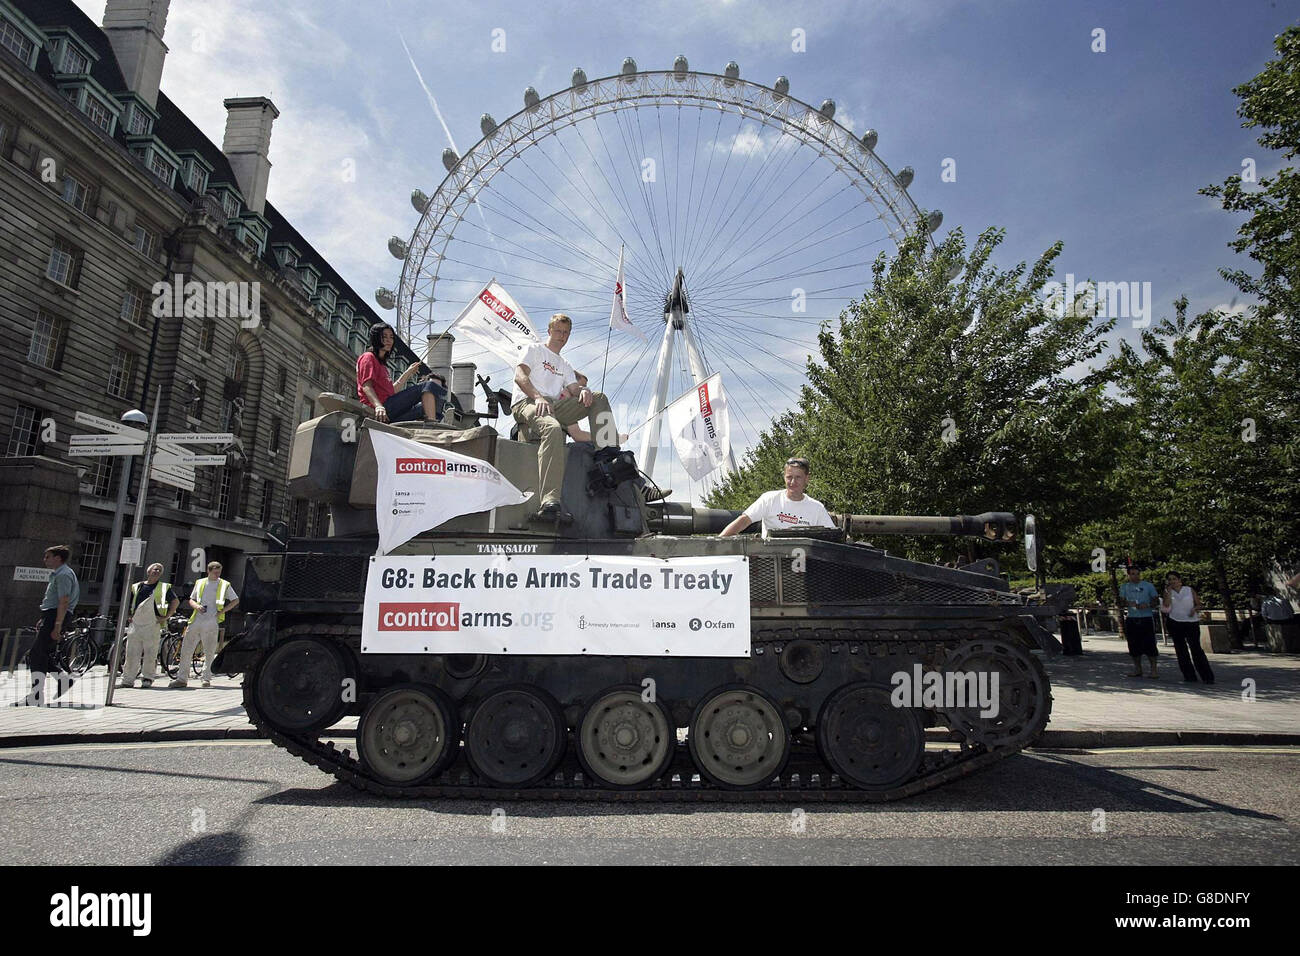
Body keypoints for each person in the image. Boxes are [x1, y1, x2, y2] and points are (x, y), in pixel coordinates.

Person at [511, 313, 627, 517]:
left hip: (554, 405)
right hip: (528, 401)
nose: (561, 335)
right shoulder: (535, 350)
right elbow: (520, 375)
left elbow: (574, 387)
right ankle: (550, 500)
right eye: (558, 330)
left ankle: (607, 452)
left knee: (597, 397)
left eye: (566, 332)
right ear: (549, 331)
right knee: (553, 428)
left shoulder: (563, 363)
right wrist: (538, 397)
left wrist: (583, 391)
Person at [19, 545, 80, 706]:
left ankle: (37, 693)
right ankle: (61, 680)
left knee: (36, 654)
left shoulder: (63, 574)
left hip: (57, 616)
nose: (45, 560)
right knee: (40, 653)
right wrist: (45, 618)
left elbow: (64, 601)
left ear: (58, 558)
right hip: (52, 615)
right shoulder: (59, 574)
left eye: (48, 556)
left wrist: (57, 625)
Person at [718, 458, 835, 538]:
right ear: (784, 477)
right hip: (769, 565)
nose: (793, 482)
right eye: (789, 477)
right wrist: (717, 543)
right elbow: (743, 521)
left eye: (798, 477)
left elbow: (832, 536)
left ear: (807, 479)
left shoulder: (816, 508)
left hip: (805, 568)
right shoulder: (769, 499)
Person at [357, 323, 448, 425]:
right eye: (384, 337)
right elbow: (366, 386)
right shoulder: (368, 357)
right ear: (376, 338)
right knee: (429, 386)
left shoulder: (382, 366)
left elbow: (392, 391)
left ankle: (431, 426)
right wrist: (378, 406)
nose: (389, 340)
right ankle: (432, 426)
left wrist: (408, 372)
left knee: (429, 405)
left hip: (390, 413)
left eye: (391, 337)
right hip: (380, 408)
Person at [172, 562, 239, 689]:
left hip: (212, 620)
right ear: (209, 571)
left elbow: (235, 600)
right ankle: (182, 679)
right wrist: (197, 606)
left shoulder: (224, 584)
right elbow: (191, 599)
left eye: (219, 572)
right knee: (187, 649)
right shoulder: (200, 582)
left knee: (209, 650)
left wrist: (223, 611)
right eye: (215, 572)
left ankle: (206, 678)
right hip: (197, 619)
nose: (218, 574)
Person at [118, 563, 179, 689]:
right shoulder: (137, 586)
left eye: (159, 570)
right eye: (155, 569)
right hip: (136, 623)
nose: (157, 571)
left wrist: (166, 616)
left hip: (153, 623)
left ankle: (148, 678)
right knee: (131, 652)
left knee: (150, 652)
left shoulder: (163, 587)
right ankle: (128, 679)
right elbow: (129, 602)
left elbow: (175, 601)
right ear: (148, 571)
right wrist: (130, 615)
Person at [1162, 572, 1214, 684]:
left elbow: (1199, 604)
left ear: (1179, 580)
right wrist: (1168, 592)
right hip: (1175, 621)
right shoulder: (1167, 592)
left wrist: (1194, 609)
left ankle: (1207, 676)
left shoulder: (1189, 590)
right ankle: (1189, 675)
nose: (1172, 581)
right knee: (1181, 650)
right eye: (1170, 579)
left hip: (1191, 622)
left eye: (1174, 579)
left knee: (1196, 648)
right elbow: (1166, 606)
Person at [1119, 564, 1160, 678]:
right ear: (1128, 575)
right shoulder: (1124, 587)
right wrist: (1128, 603)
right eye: (1132, 574)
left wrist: (1147, 605)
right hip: (1132, 618)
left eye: (1137, 574)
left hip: (1146, 617)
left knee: (1150, 644)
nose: (1135, 576)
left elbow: (1156, 600)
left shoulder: (1148, 586)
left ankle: (1154, 670)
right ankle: (1138, 668)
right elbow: (1121, 602)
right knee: (1133, 645)